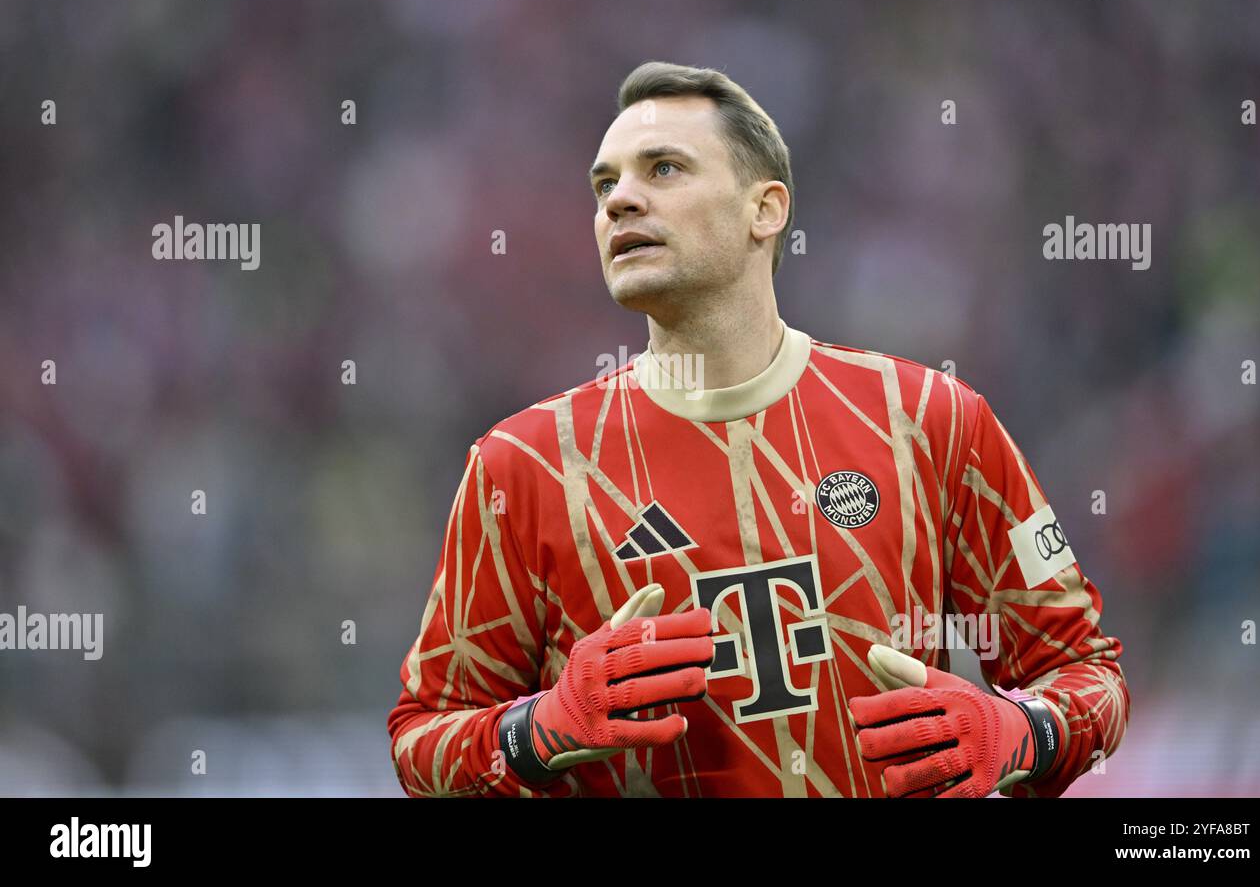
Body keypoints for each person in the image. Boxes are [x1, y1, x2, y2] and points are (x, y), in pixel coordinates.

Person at [387, 61, 1129, 797]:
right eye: (604, 184)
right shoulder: (523, 466)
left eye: (664, 169)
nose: (620, 202)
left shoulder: (931, 419)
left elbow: (1088, 673)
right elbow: (422, 738)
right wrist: (538, 728)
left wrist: (1018, 734)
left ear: (765, 209)